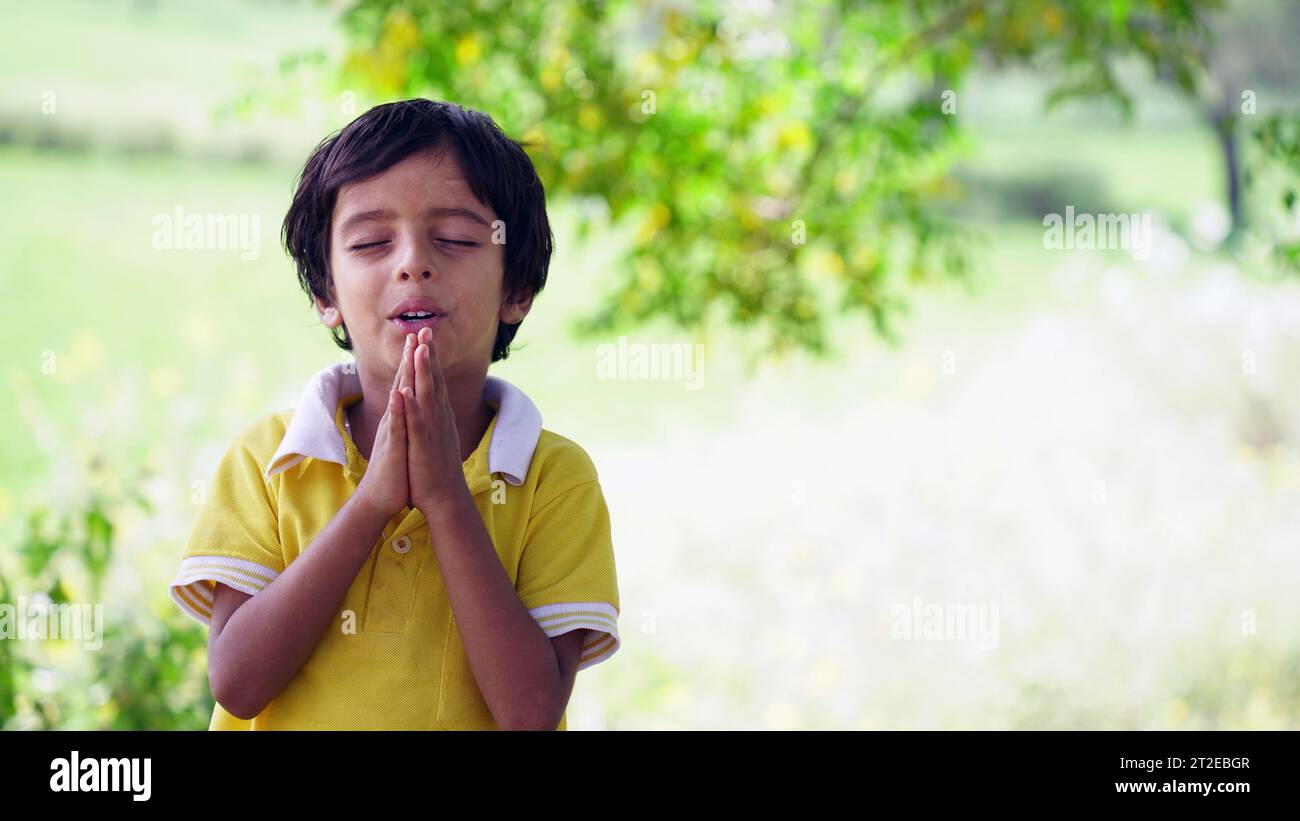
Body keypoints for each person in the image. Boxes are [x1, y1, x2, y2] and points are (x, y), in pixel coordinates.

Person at [168, 99, 620, 730]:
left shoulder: (553, 478)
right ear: (327, 293)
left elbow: (532, 714)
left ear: (517, 289)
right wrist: (373, 502)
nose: (413, 262)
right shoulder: (268, 459)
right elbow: (238, 683)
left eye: (459, 239)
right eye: (372, 241)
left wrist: (444, 498)